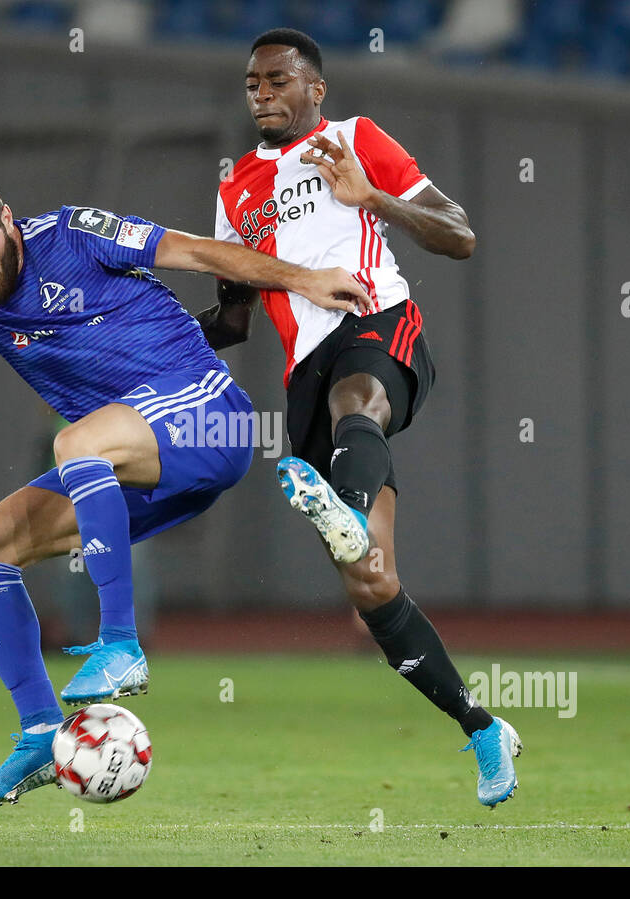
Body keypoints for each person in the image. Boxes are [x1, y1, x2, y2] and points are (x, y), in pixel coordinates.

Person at [0, 155, 370, 810]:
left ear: (6, 221)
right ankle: (39, 733)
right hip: (135, 460)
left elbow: (196, 251)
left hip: (206, 417)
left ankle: (121, 644)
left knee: (75, 441)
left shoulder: (76, 234)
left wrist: (306, 279)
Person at [199, 28, 522, 807]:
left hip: (380, 322)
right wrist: (136, 336)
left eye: (279, 81)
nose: (263, 94)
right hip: (304, 374)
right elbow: (235, 319)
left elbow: (462, 236)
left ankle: (342, 502)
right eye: (253, 84)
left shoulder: (356, 140)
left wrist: (370, 197)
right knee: (372, 582)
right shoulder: (236, 187)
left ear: (316, 89)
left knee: (360, 401)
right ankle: (481, 727)